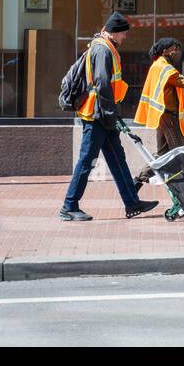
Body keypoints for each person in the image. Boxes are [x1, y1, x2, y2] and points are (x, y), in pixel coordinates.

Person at [60, 12, 159, 221]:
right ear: (114, 32)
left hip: (104, 114)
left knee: (117, 160)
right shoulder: (102, 49)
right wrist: (110, 114)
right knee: (87, 161)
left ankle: (132, 203)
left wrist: (111, 114)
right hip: (97, 116)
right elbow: (102, 83)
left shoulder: (107, 47)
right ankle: (69, 206)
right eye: (123, 34)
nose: (125, 38)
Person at [133, 37, 184, 193]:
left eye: (178, 48)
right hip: (168, 117)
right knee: (180, 153)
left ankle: (137, 180)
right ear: (165, 51)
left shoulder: (157, 66)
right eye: (174, 49)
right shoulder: (165, 68)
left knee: (163, 154)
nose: (177, 52)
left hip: (162, 116)